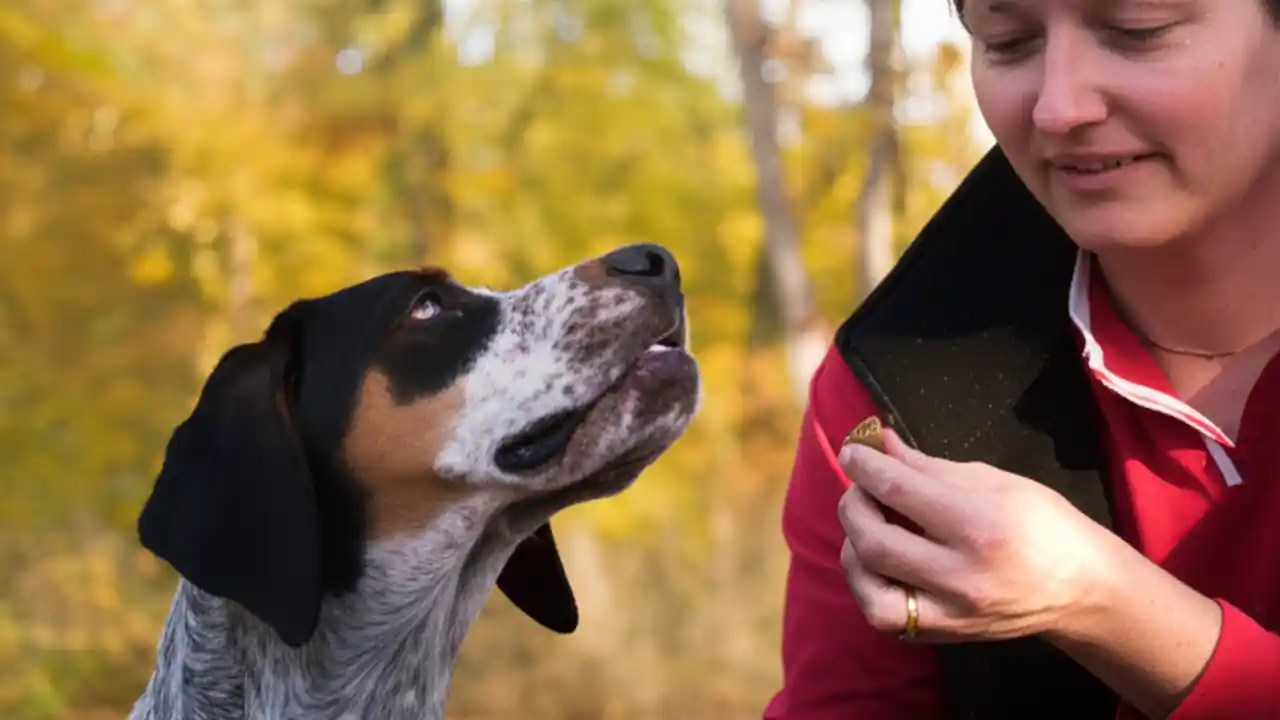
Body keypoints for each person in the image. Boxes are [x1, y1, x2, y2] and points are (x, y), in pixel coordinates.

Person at [764, 0, 1280, 718]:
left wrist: (1106, 603)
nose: (1059, 107)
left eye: (1139, 30)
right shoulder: (898, 385)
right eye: (1008, 43)